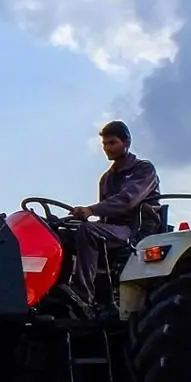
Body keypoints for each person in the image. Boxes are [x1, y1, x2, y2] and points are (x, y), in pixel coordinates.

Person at [61, 121, 162, 312]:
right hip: (114, 229)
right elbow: (105, 217)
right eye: (104, 144)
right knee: (64, 235)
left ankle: (83, 296)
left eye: (112, 143)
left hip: (137, 229)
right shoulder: (107, 178)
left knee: (88, 231)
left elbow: (127, 200)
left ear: (126, 143)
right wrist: (82, 216)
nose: (107, 148)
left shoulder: (143, 170)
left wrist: (91, 210)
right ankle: (61, 291)